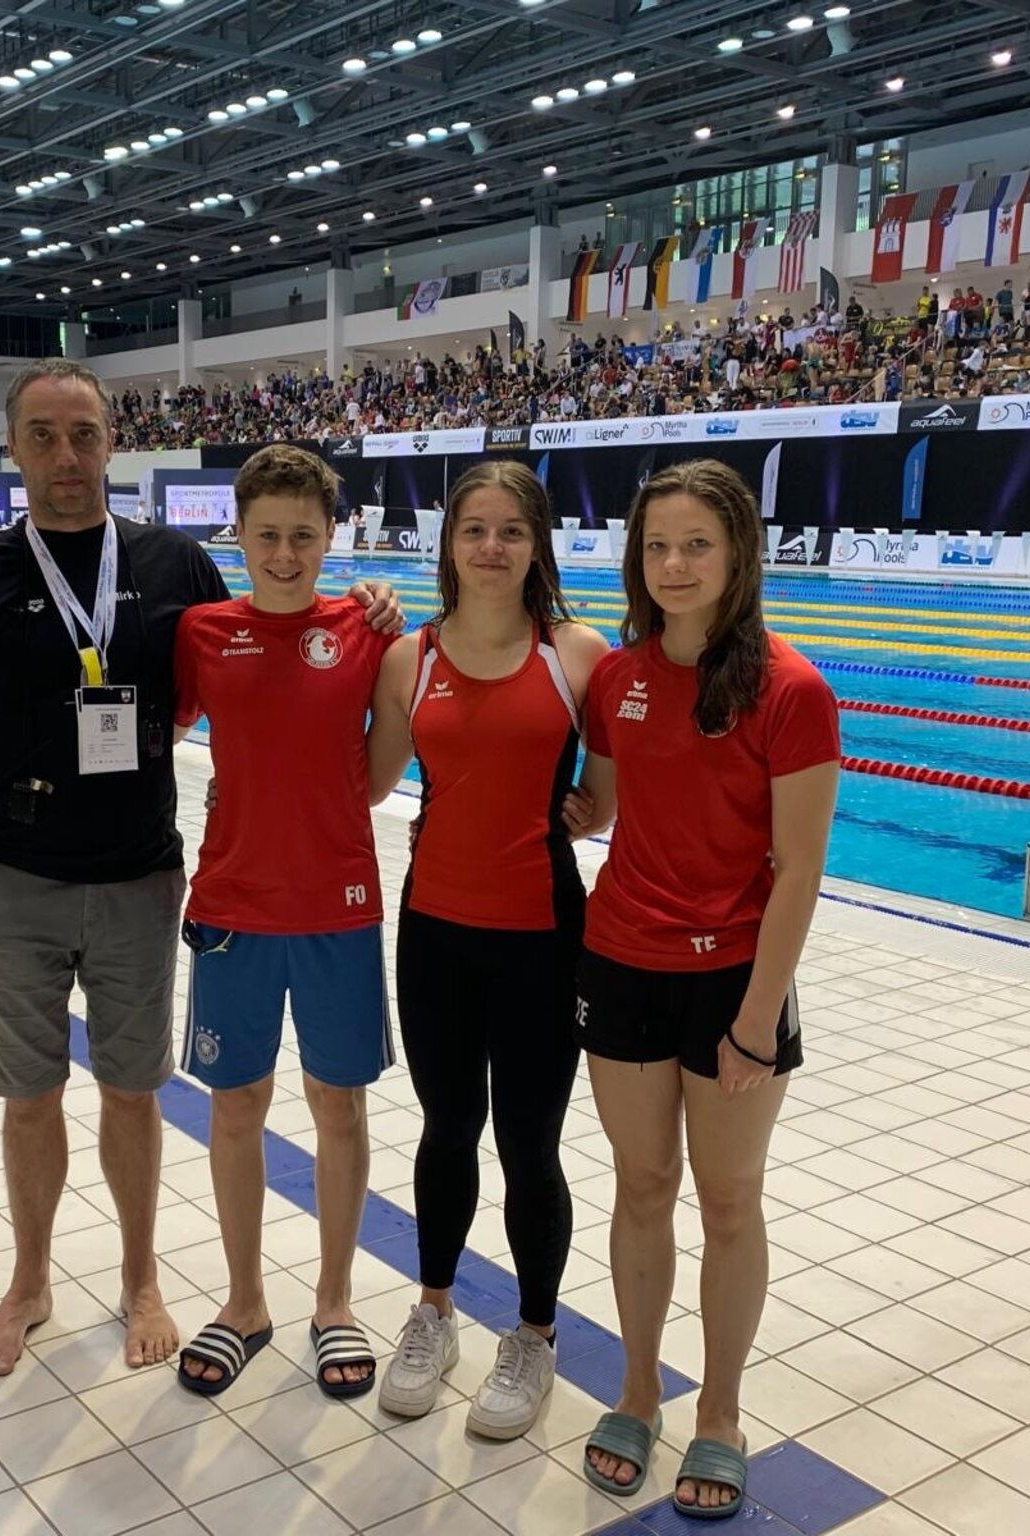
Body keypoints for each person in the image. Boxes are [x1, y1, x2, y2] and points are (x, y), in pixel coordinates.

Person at [0, 358, 396, 1378]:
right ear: (13, 447)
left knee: (132, 1090)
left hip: (141, 877)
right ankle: (30, 1281)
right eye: (42, 435)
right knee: (28, 1094)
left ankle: (141, 1279)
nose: (64, 455)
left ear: (109, 443)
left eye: (82, 433)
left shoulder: (176, 566)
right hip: (13, 879)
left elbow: (261, 656)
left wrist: (370, 608)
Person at [566, 460, 840, 1518]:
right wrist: (540, 817)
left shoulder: (790, 690)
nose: (673, 566)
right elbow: (602, 803)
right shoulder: (617, 676)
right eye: (655, 547)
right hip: (621, 958)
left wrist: (756, 1019)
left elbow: (799, 873)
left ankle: (718, 1411)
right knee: (641, 1187)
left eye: (696, 546)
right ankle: (637, 1390)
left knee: (728, 1199)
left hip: (733, 976)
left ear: (738, 556)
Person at [364, 460, 609, 1437]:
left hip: (543, 937)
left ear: (536, 546)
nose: (492, 546)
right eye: (474, 529)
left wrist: (588, 814)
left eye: (511, 530)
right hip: (433, 931)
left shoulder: (576, 655)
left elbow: (609, 797)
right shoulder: (407, 660)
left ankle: (534, 1336)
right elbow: (371, 784)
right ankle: (433, 1314)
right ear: (448, 545)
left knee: (528, 1146)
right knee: (444, 1127)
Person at [170, 446, 395, 1402]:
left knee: (339, 1105)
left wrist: (327, 812)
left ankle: (335, 1301)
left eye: (305, 535)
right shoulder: (202, 630)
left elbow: (386, 762)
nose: (287, 553)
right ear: (240, 533)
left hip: (340, 904)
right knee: (236, 1106)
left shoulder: (367, 628)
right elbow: (153, 734)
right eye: (268, 535)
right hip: (231, 907)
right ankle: (245, 1301)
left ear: (330, 536)